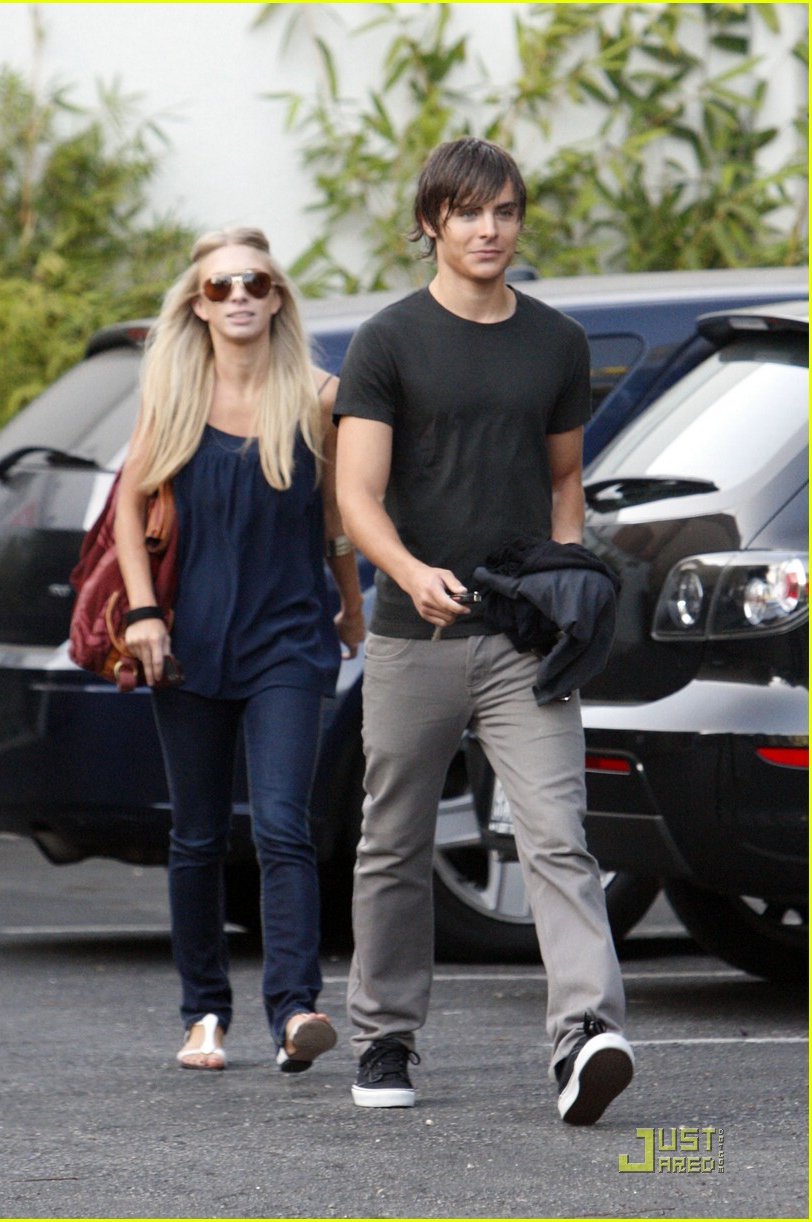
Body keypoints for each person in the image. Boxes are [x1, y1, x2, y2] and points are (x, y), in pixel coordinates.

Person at [334, 137, 634, 1122]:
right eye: (468, 212)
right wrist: (409, 572)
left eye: (504, 211)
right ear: (431, 222)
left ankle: (585, 1035)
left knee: (556, 835)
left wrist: (565, 576)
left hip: (521, 641)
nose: (488, 229)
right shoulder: (387, 341)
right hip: (411, 638)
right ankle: (384, 1038)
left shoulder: (556, 341)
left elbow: (563, 478)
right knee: (393, 840)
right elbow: (356, 494)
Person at [115, 227, 365, 1073]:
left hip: (289, 643)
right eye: (220, 286)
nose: (240, 297)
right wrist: (143, 613)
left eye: (255, 282)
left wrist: (352, 608)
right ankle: (203, 1014)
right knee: (196, 836)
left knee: (285, 827)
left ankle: (294, 1010)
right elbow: (128, 509)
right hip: (187, 645)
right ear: (198, 304)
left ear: (277, 296)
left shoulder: (319, 398)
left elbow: (336, 518)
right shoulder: (174, 397)